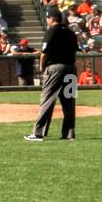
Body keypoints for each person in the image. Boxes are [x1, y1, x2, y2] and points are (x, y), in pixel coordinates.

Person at [26, 10, 79, 141]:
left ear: (50, 19)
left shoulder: (51, 31)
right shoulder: (70, 33)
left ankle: (38, 133)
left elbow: (44, 53)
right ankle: (69, 134)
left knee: (47, 99)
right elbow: (75, 52)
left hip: (56, 68)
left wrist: (42, 68)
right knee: (69, 102)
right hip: (71, 67)